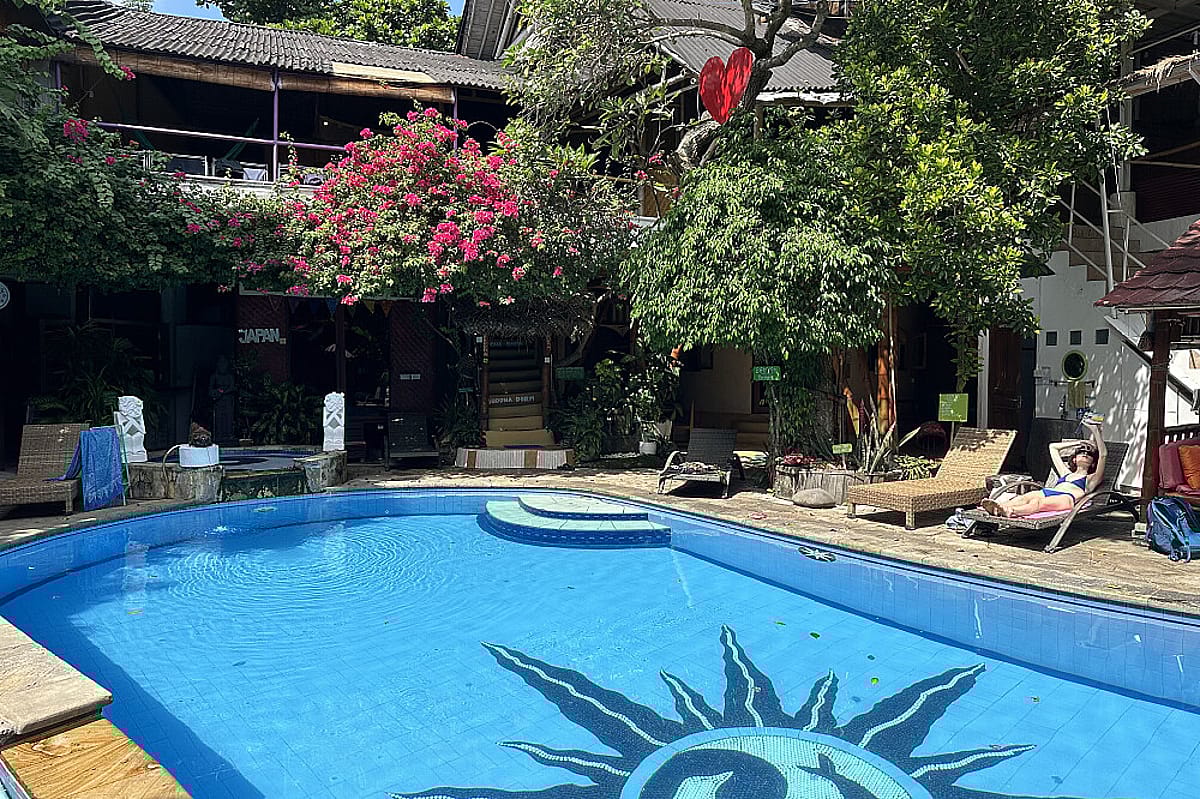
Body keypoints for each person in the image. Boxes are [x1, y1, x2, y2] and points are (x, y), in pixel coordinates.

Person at [979, 420, 1105, 518]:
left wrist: (1096, 432)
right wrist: (1079, 442)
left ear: (1093, 463)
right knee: (1023, 498)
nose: (1085, 454)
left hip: (1066, 498)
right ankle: (998, 507)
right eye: (1081, 453)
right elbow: (1053, 448)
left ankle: (1010, 511)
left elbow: (1103, 455)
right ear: (1074, 459)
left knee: (1037, 503)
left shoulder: (1090, 479)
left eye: (1089, 455)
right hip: (1048, 491)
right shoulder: (1065, 473)